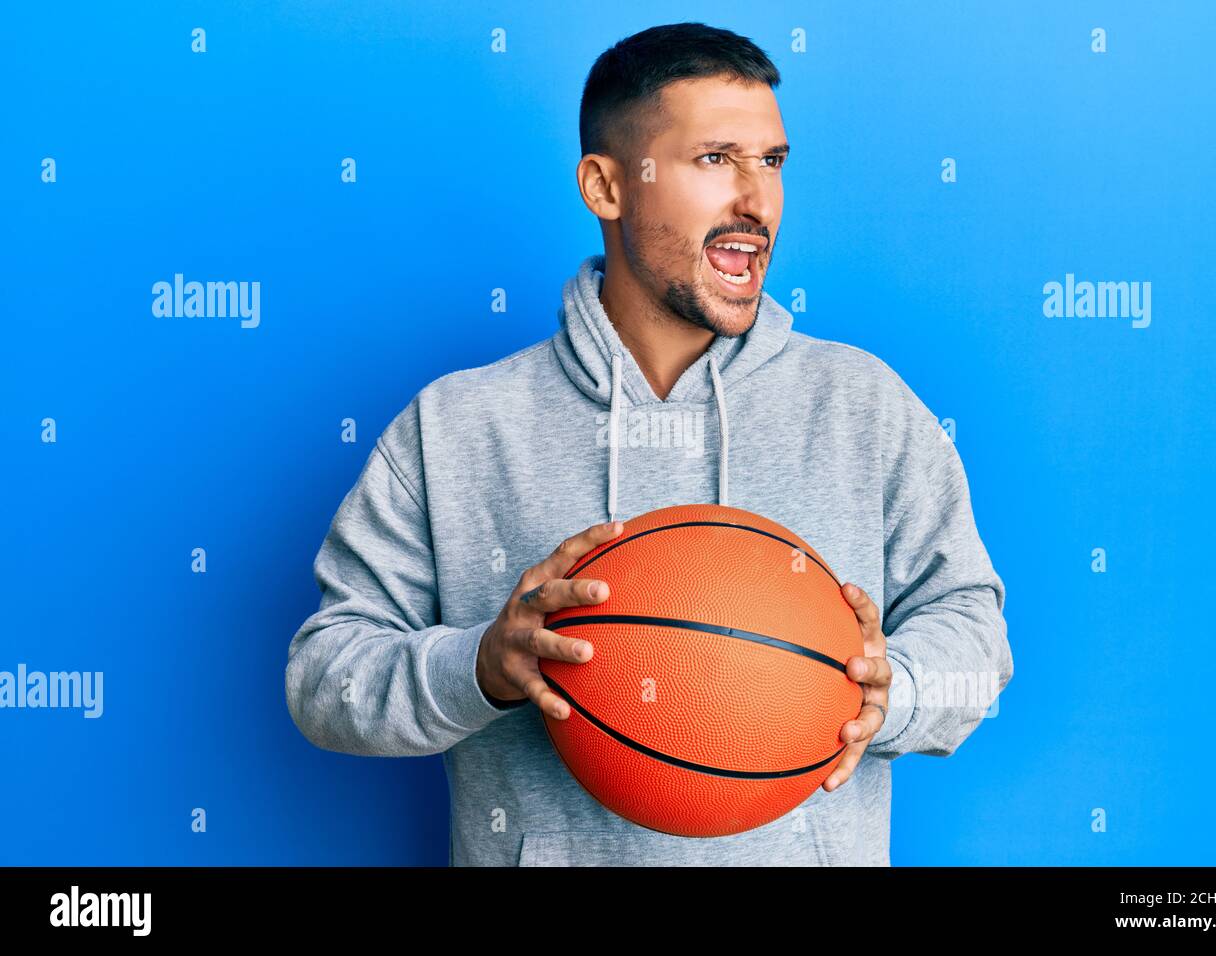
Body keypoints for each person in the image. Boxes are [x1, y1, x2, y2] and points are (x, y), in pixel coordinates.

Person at [285, 21, 1013, 866]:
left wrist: (896, 692)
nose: (757, 201)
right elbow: (322, 680)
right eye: (715, 160)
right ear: (605, 185)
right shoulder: (455, 425)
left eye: (771, 162)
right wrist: (479, 665)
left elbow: (976, 635)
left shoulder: (863, 405)